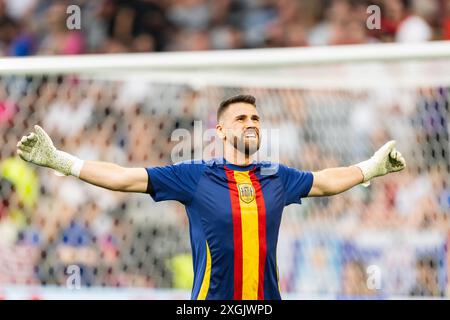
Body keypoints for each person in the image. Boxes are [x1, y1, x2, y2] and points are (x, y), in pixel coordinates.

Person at [16, 94, 406, 300]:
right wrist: (61, 161)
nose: (251, 124)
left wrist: (370, 168)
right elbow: (123, 178)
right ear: (220, 130)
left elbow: (325, 181)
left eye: (255, 118)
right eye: (241, 118)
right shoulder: (195, 176)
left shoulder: (276, 177)